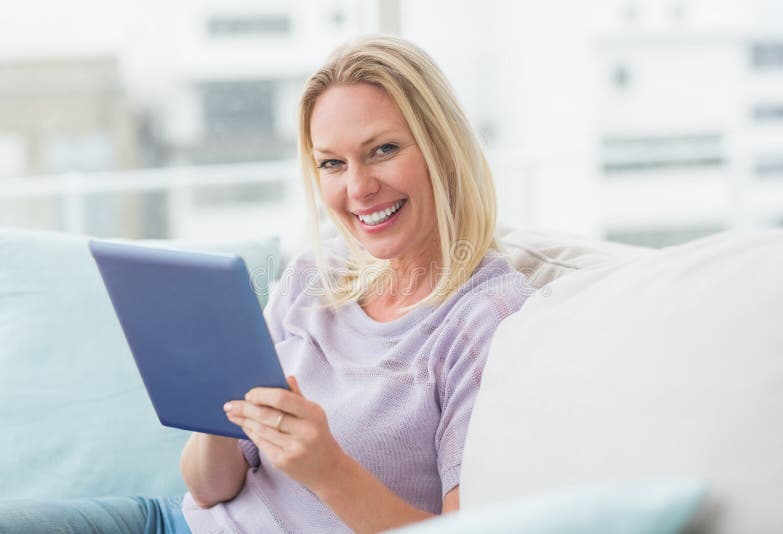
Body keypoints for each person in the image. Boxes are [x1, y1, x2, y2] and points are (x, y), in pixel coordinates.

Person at [0, 34, 533, 534]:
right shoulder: (312, 277)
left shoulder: (488, 318)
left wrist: (327, 469)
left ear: (442, 147)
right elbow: (209, 489)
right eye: (332, 163)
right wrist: (218, 400)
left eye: (383, 150)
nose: (358, 188)